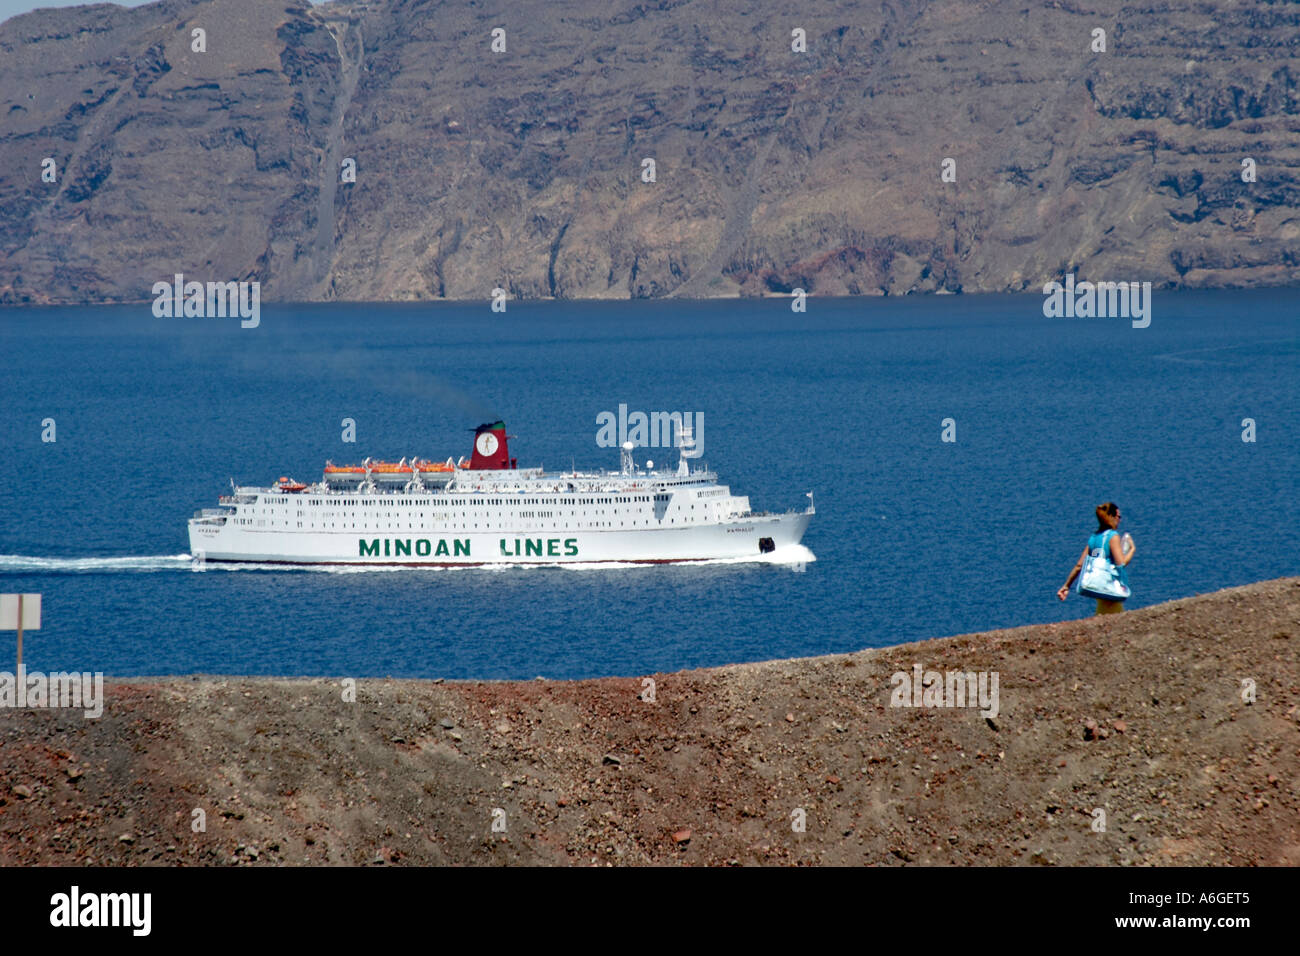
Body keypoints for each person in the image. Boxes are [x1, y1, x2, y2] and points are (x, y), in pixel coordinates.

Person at [1057, 502, 1136, 615]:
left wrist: (1066, 586)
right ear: (1111, 517)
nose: (1120, 520)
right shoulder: (1113, 536)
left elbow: (1079, 565)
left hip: (1099, 591)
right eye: (1119, 516)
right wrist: (1132, 549)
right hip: (1110, 590)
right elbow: (1121, 563)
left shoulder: (1094, 538)